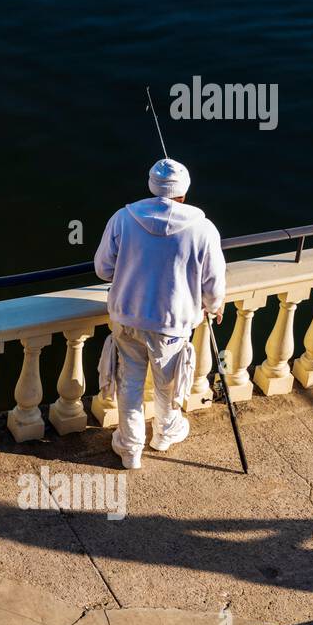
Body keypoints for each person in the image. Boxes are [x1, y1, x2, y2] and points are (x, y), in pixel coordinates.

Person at [93, 158, 226, 469]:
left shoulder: (123, 219)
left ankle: (130, 449)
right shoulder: (204, 229)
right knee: (167, 383)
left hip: (128, 317)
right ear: (185, 191)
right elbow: (214, 283)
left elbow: (103, 268)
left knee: (130, 384)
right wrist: (214, 305)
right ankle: (165, 434)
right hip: (172, 325)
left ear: (151, 185)